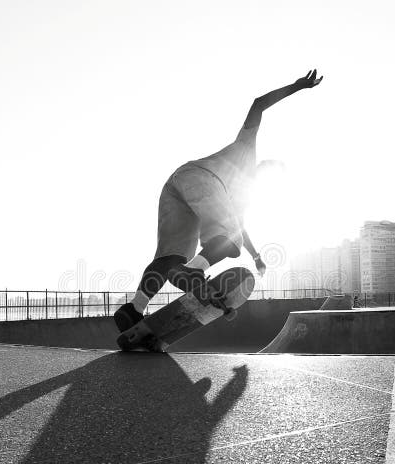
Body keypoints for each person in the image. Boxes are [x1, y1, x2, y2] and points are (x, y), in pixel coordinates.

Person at [114, 70, 324, 332]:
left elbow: (240, 229)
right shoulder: (247, 151)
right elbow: (259, 104)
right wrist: (296, 87)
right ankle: (194, 270)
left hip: (176, 184)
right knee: (225, 242)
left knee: (171, 257)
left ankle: (134, 308)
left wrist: (256, 255)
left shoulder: (241, 199)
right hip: (205, 180)